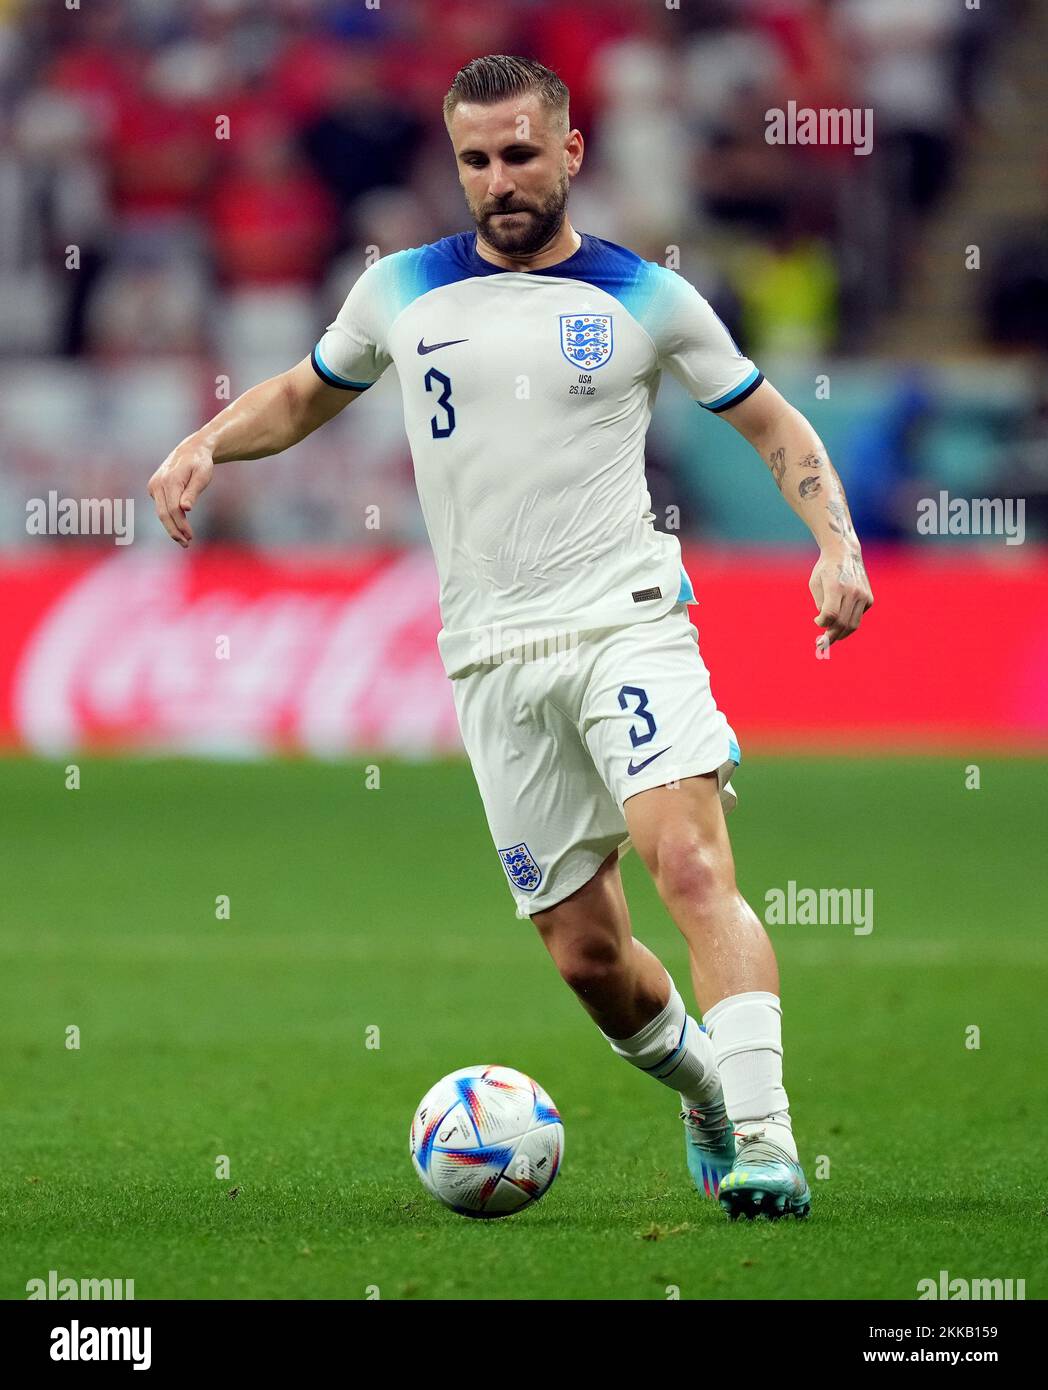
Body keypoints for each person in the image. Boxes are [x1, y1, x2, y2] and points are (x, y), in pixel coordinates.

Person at [148, 54, 873, 1220]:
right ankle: (703, 1089)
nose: (500, 179)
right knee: (587, 956)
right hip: (490, 658)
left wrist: (835, 543)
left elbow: (773, 425)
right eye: (477, 160)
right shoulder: (399, 290)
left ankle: (769, 1141)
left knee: (692, 868)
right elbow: (303, 393)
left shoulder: (646, 296)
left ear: (570, 151)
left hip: (626, 624)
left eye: (521, 153)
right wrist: (206, 442)